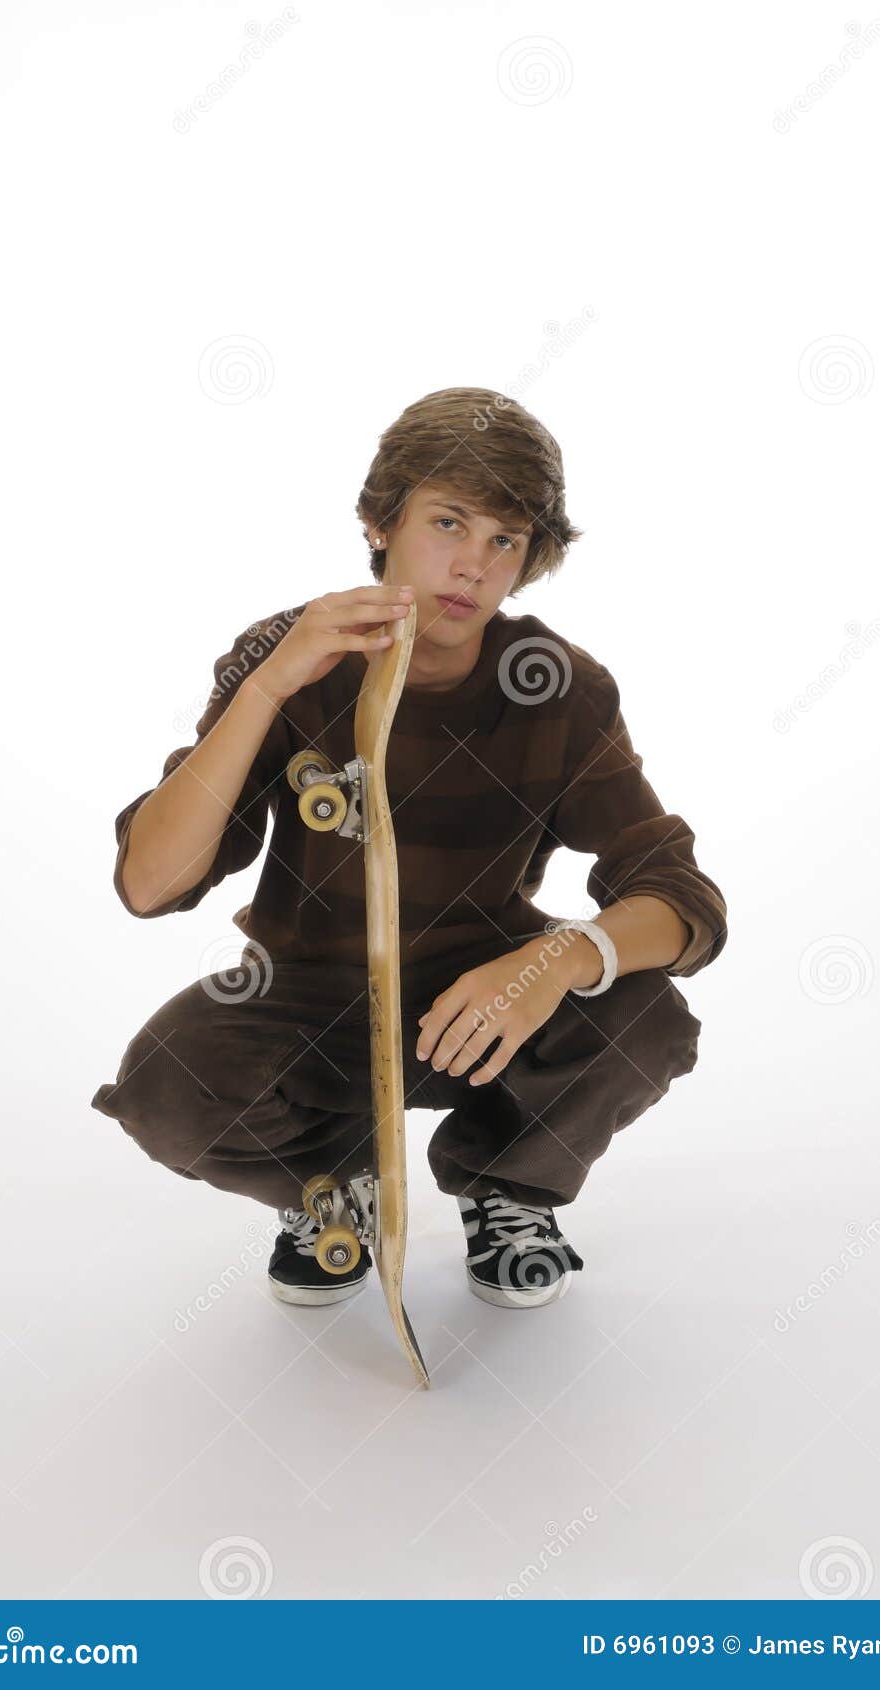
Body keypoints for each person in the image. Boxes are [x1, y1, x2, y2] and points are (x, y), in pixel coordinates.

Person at [91, 387, 727, 1316]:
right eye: (447, 522)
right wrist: (267, 686)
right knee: (167, 1085)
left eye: (504, 540)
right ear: (379, 521)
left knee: (647, 1014)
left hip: (483, 995)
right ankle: (335, 1190)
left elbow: (678, 894)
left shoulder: (554, 687)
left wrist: (557, 957)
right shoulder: (287, 658)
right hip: (313, 998)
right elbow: (150, 882)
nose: (471, 565)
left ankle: (508, 1190)